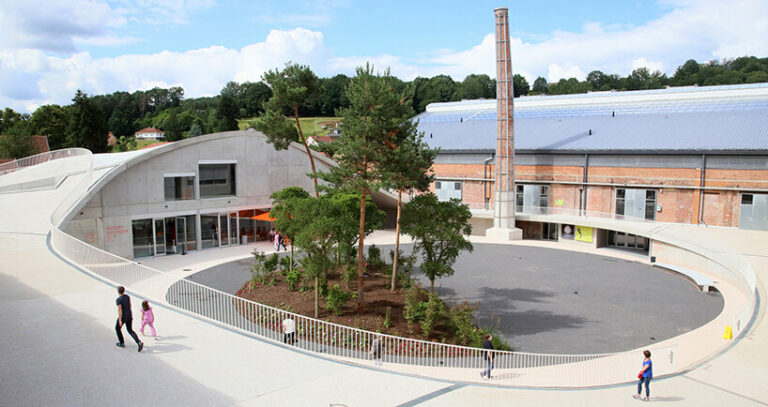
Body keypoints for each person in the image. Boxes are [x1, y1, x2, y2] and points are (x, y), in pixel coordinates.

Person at [115, 286, 143, 352]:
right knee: (130, 330)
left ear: (118, 292)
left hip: (123, 317)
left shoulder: (118, 300)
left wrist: (120, 320)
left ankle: (122, 343)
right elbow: (130, 305)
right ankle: (139, 342)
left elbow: (120, 310)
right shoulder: (127, 297)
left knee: (117, 328)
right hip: (129, 315)